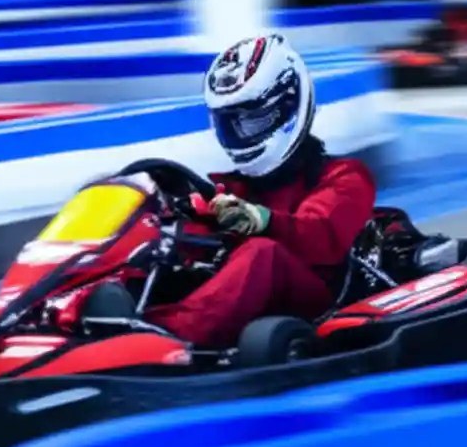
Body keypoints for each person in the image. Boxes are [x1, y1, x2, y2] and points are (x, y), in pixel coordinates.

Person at [143, 34, 377, 348]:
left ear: (287, 106)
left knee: (262, 254)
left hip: (318, 298)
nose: (239, 133)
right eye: (230, 123)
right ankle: (87, 312)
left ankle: (166, 339)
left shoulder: (345, 177)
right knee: (154, 240)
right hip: (243, 297)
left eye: (252, 121)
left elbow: (321, 236)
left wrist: (263, 220)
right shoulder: (230, 188)